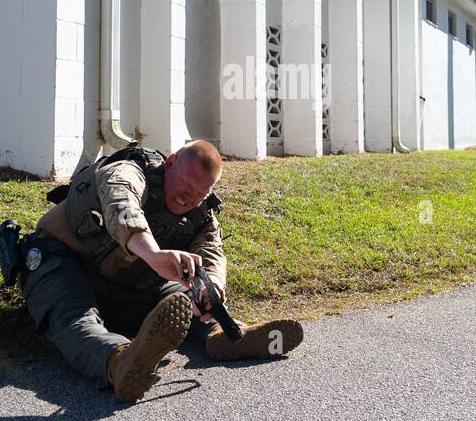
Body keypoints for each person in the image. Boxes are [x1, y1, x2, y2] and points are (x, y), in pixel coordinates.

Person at [18, 140, 303, 402]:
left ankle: (228, 334)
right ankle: (120, 361)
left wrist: (212, 287)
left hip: (129, 284)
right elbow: (121, 205)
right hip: (64, 261)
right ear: (171, 163)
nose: (187, 197)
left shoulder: (202, 211)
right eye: (185, 183)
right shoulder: (127, 171)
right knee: (74, 318)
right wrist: (153, 254)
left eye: (198, 193)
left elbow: (212, 251)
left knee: (185, 295)